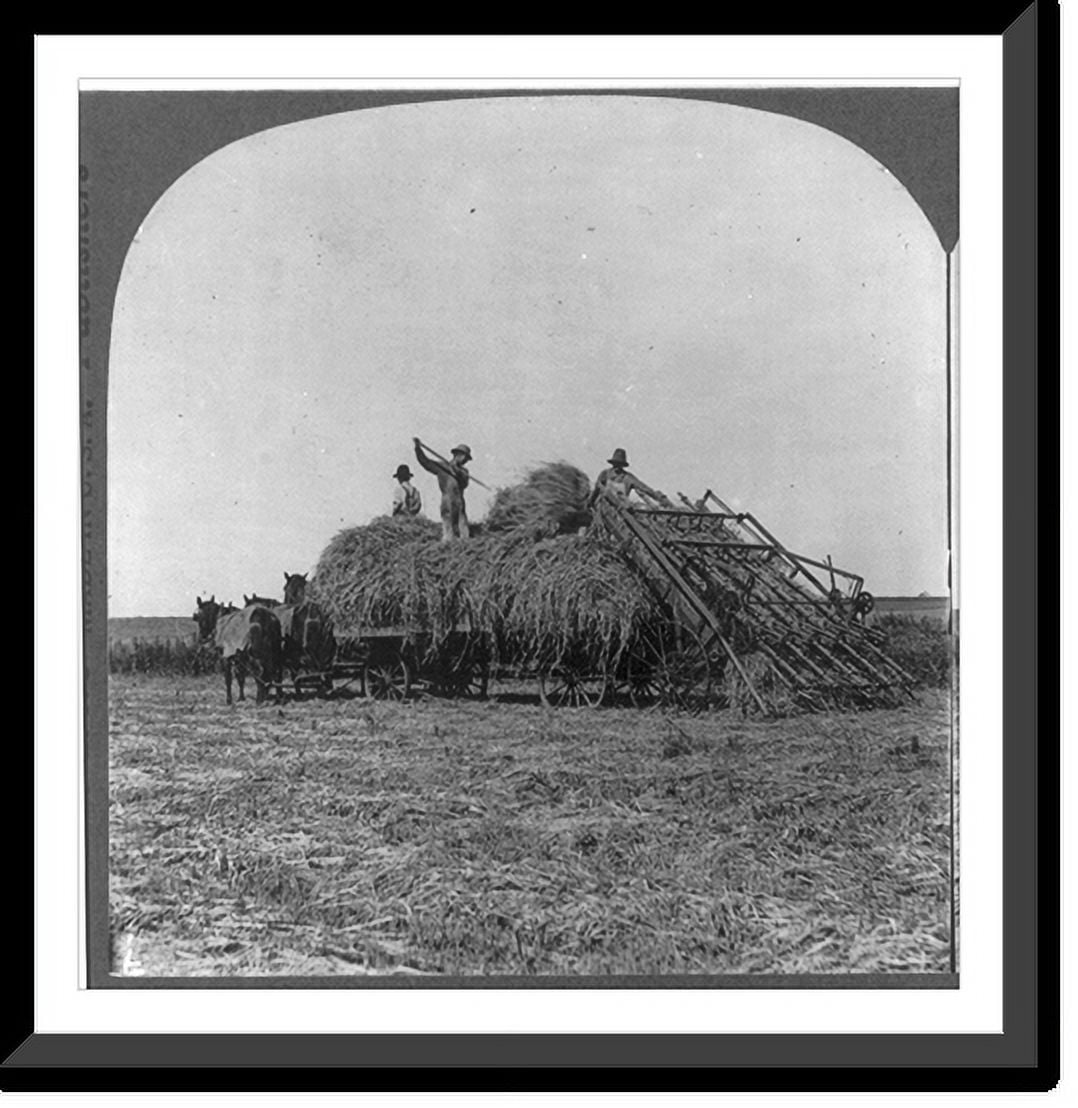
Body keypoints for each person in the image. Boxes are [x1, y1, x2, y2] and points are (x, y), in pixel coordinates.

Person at [413, 438, 472, 541]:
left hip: (459, 501)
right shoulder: (442, 467)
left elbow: (464, 482)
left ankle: (465, 543)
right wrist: (418, 449)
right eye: (464, 458)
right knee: (448, 527)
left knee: (463, 527)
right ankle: (448, 543)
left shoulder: (464, 472)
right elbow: (425, 462)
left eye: (466, 459)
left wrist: (456, 470)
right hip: (447, 500)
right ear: (458, 455)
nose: (465, 461)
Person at [586, 448, 672, 509]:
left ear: (623, 465)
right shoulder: (605, 474)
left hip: (622, 509)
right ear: (612, 464)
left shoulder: (628, 478)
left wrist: (660, 499)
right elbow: (596, 490)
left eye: (619, 464)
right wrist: (589, 504)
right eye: (615, 464)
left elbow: (644, 488)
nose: (617, 467)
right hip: (604, 509)